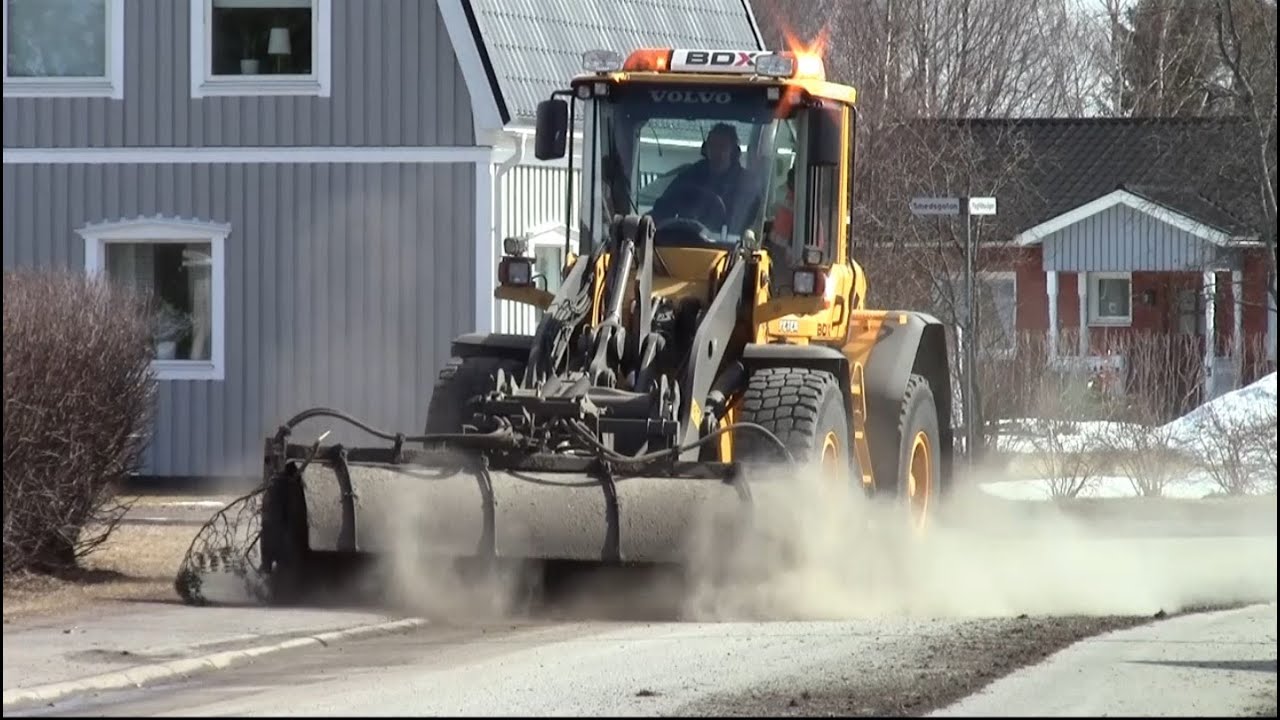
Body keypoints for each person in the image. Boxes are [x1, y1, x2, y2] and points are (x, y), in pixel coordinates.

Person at [650, 123, 752, 234]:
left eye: (722, 146)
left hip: (727, 246)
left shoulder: (745, 184)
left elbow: (747, 225)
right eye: (712, 145)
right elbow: (664, 206)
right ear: (705, 148)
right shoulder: (690, 175)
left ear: (733, 152)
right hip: (684, 241)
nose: (716, 151)